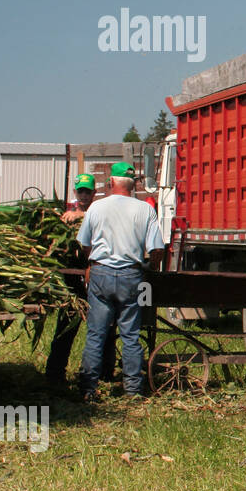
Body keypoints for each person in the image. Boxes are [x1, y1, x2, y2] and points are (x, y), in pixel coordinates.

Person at [76, 162, 165, 400]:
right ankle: (133, 390)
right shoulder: (145, 209)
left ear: (111, 182)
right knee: (130, 335)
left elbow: (84, 243)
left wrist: (91, 261)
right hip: (130, 276)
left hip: (101, 274)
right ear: (133, 184)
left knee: (96, 334)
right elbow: (157, 249)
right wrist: (151, 268)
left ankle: (88, 389)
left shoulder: (96, 207)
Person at [45, 174, 116, 387]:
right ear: (75, 193)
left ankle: (104, 374)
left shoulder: (100, 214)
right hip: (74, 280)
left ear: (95, 193)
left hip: (97, 276)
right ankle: (55, 373)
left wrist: (82, 217)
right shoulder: (66, 217)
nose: (84, 195)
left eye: (88, 191)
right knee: (66, 327)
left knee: (105, 327)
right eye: (81, 191)